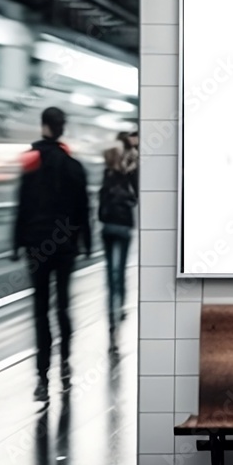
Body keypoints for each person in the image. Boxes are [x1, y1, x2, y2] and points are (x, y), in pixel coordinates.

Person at [13, 106, 91, 403]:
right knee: (63, 308)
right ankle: (66, 364)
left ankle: (42, 379)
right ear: (61, 128)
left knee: (41, 311)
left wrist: (16, 241)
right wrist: (85, 242)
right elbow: (83, 209)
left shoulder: (31, 162)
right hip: (65, 247)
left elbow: (22, 204)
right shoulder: (74, 166)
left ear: (43, 125)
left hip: (37, 246)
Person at [99, 133, 137, 352]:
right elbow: (133, 198)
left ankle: (113, 313)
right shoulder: (126, 175)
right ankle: (118, 307)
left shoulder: (108, 176)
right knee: (118, 272)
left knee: (111, 274)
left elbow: (102, 204)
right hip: (121, 228)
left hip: (109, 228)